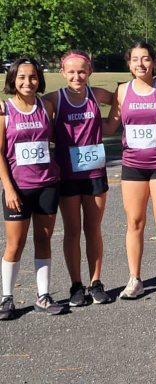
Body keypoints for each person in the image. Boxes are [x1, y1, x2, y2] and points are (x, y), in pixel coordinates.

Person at [103, 42, 156, 301]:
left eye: (146, 59)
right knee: (134, 222)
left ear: (154, 62)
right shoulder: (122, 91)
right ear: (129, 64)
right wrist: (74, 121)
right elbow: (110, 126)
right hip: (133, 165)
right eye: (135, 59)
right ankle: (135, 279)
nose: (140, 64)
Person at [43, 50, 113, 307]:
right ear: (62, 73)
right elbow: (32, 114)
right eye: (71, 71)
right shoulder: (54, 99)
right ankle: (76, 285)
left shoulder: (97, 95)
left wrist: (108, 127)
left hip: (94, 171)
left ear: (90, 71)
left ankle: (96, 282)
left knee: (92, 230)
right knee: (72, 231)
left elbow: (123, 100)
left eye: (82, 71)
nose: (77, 76)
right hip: (67, 174)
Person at [0, 57, 67, 319]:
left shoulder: (46, 106)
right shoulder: (4, 111)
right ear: (13, 80)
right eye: (22, 77)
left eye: (33, 77)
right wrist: (9, 188)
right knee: (15, 243)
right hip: (18, 187)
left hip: (47, 184)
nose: (28, 82)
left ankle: (43, 296)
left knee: (44, 240)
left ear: (39, 80)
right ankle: (6, 298)